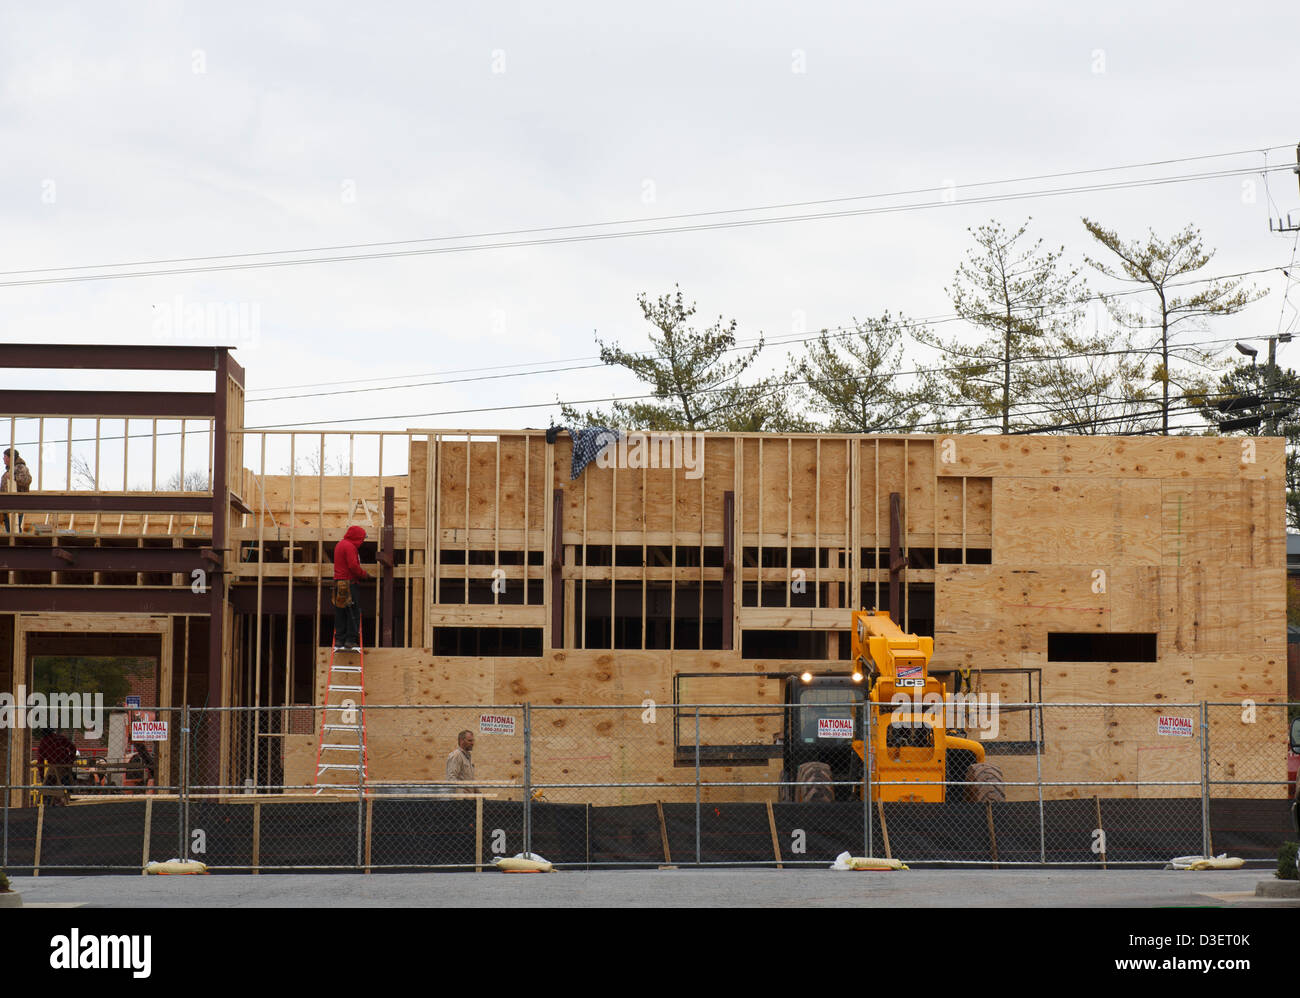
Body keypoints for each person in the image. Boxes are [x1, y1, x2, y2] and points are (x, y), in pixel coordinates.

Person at [332, 525, 369, 652]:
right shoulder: (350, 547)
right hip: (349, 584)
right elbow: (353, 566)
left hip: (338, 583)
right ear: (357, 537)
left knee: (340, 611)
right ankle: (350, 641)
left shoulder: (340, 544)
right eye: (362, 539)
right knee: (352, 612)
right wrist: (364, 575)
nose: (362, 542)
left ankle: (339, 639)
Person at [2, 447, 32, 533]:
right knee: (10, 528)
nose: (3, 458)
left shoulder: (20, 467)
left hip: (17, 503)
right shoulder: (10, 470)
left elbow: (27, 480)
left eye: (5, 456)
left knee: (15, 528)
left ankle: (17, 543)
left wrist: (14, 478)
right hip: (7, 504)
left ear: (10, 457)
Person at [445, 729, 479, 793]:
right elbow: (451, 779)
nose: (472, 743)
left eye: (473, 740)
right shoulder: (456, 755)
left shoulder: (467, 756)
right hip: (461, 799)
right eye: (470, 741)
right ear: (461, 741)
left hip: (469, 798)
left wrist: (477, 792)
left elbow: (470, 779)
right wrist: (463, 794)